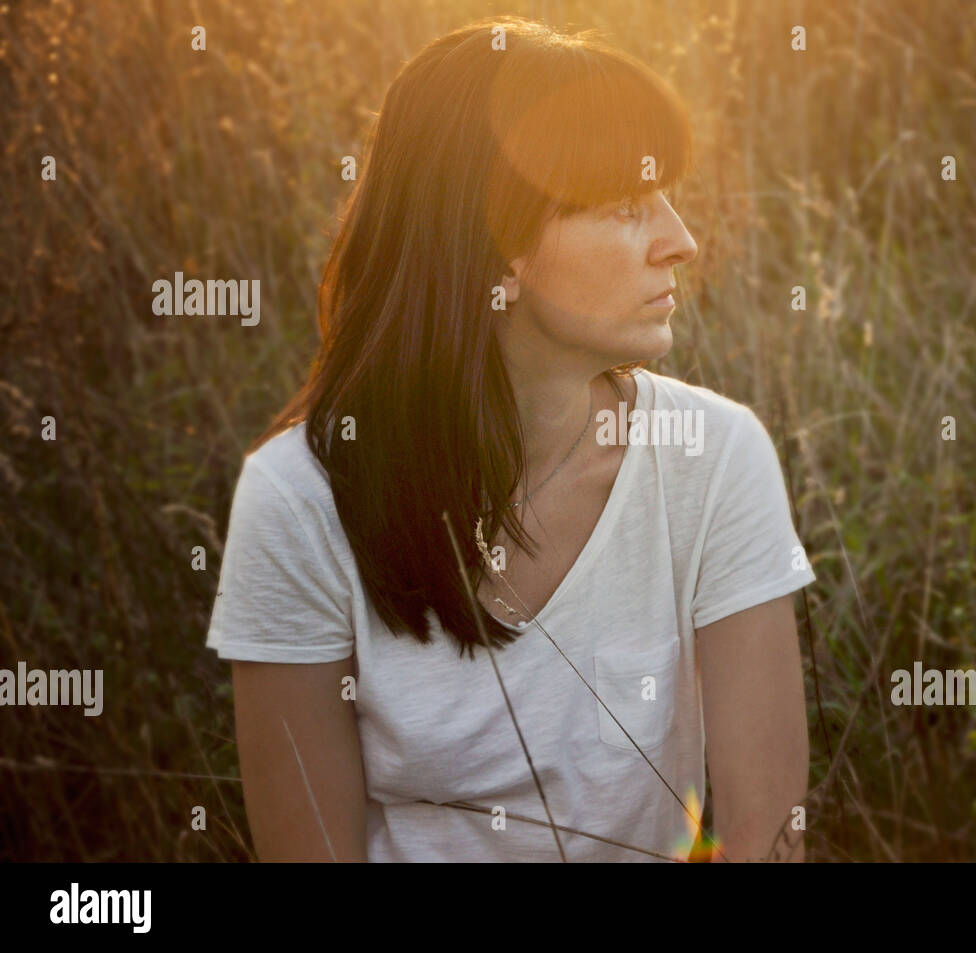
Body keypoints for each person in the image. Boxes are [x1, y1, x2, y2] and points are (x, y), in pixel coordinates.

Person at [205, 14, 816, 862]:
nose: (681, 241)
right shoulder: (298, 499)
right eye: (627, 206)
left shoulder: (715, 458)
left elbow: (764, 839)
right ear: (497, 244)